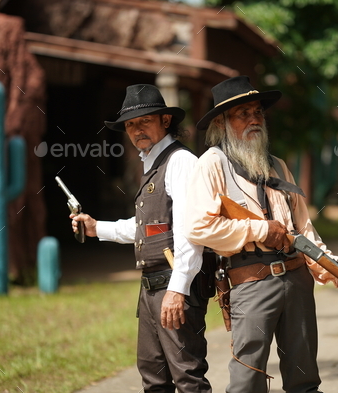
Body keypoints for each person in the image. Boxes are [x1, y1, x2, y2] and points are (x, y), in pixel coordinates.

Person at [183, 75, 338, 393]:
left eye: (258, 112)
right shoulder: (211, 164)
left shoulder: (278, 166)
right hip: (250, 282)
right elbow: (198, 227)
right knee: (247, 381)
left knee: (304, 379)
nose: (255, 119)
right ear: (222, 123)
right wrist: (260, 229)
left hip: (297, 279)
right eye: (244, 113)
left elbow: (305, 232)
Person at [70, 84, 211, 393]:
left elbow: (191, 231)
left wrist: (178, 290)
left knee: (188, 377)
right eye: (131, 125)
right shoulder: (152, 162)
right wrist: (97, 228)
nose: (136, 130)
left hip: (174, 286)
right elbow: (149, 227)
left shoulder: (180, 162)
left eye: (144, 121)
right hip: (151, 287)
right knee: (153, 377)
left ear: (165, 120)